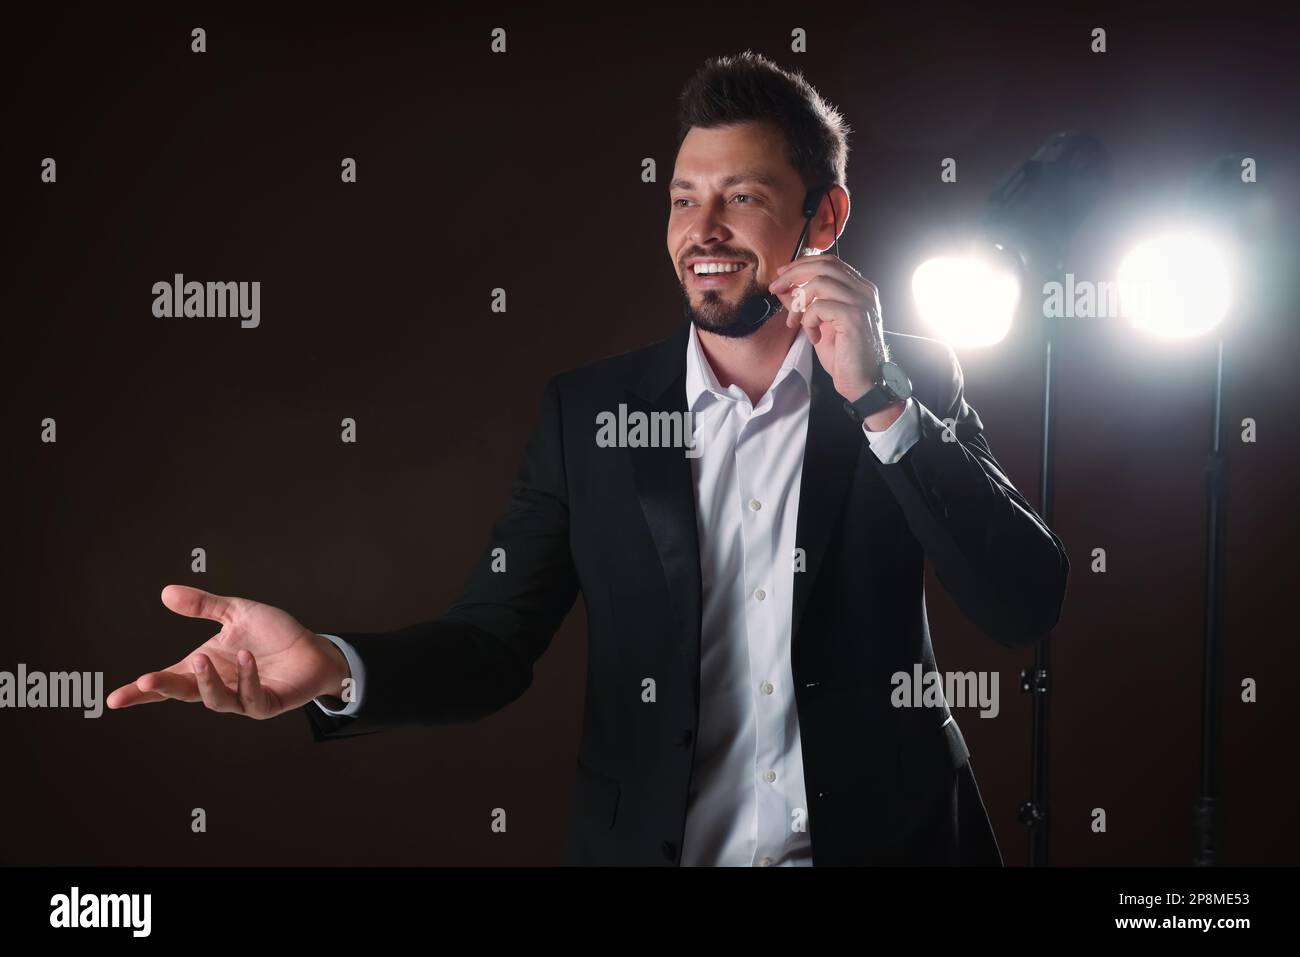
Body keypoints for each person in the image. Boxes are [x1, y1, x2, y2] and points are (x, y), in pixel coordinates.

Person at [108, 50, 1068, 866]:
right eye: (684, 200)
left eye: (743, 198)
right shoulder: (591, 412)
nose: (704, 232)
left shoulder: (910, 385)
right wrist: (332, 665)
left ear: (823, 219)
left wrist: (877, 398)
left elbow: (1025, 602)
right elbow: (492, 645)